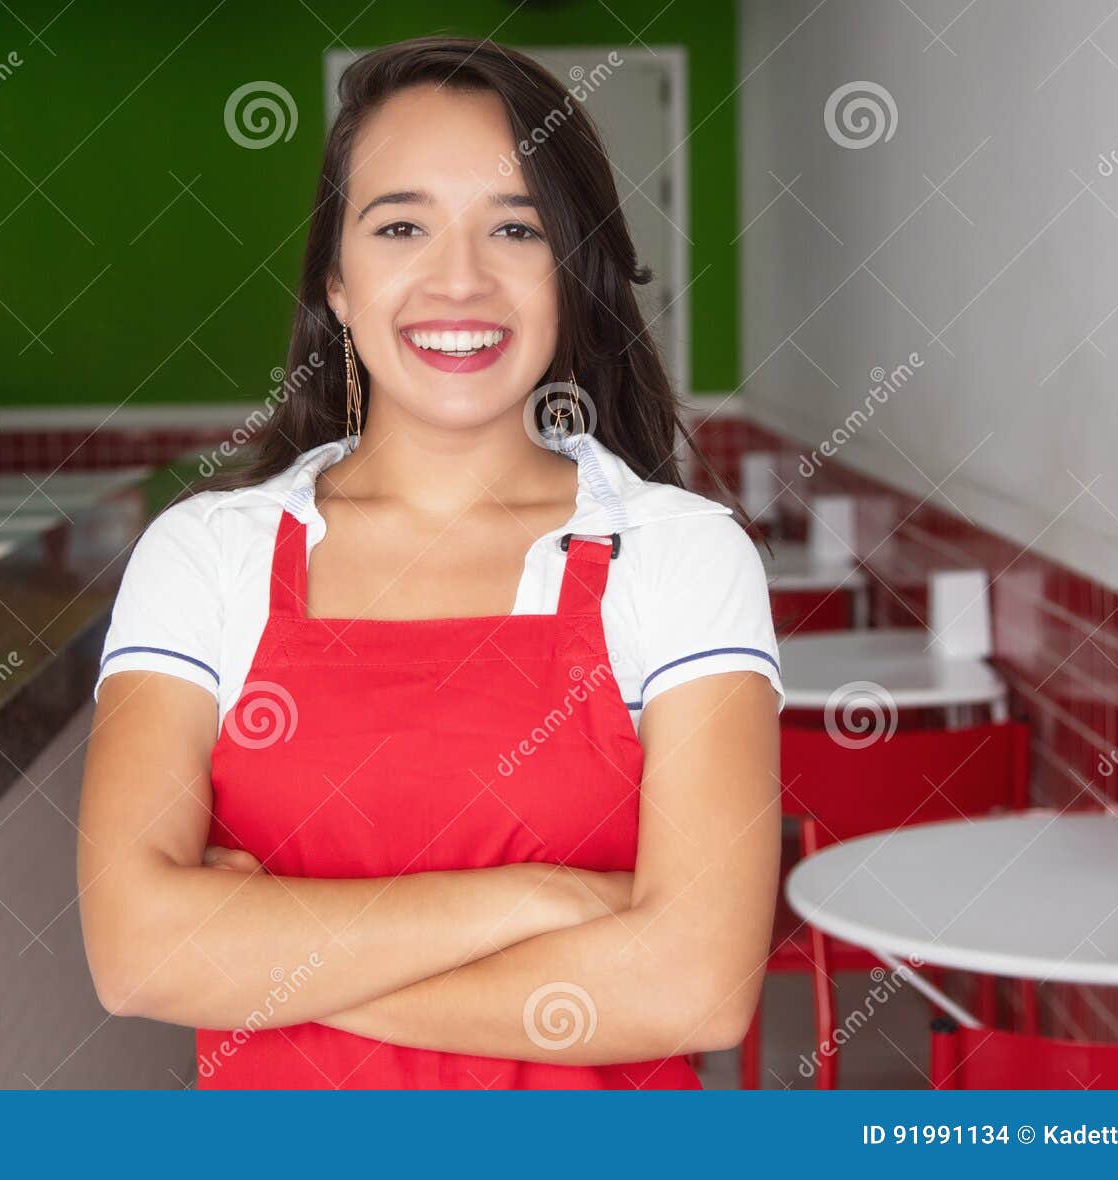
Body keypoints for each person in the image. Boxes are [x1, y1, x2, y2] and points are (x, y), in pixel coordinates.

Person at [77, 35, 783, 1089]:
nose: (458, 279)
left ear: (571, 274)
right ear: (339, 283)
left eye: (514, 228)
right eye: (400, 225)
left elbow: (694, 990)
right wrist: (532, 898)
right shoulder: (206, 553)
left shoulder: (679, 555)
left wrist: (262, 962)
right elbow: (135, 954)